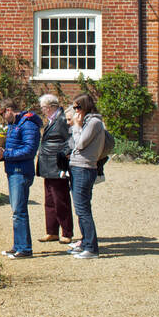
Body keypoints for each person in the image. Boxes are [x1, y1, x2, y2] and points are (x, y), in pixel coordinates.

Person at [0, 98, 41, 258]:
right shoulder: (15, 125)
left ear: (9, 110)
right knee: (16, 210)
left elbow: (29, 150)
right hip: (13, 170)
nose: (2, 118)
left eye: (2, 114)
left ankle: (25, 248)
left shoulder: (28, 124)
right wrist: (2, 153)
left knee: (19, 211)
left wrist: (6, 154)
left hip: (21, 171)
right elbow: (16, 147)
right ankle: (18, 245)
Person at [67, 93, 105, 259]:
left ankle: (91, 247)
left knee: (83, 209)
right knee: (79, 208)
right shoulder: (86, 122)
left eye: (77, 107)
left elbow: (80, 143)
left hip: (85, 168)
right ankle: (84, 241)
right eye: (74, 108)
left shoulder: (94, 122)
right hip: (76, 167)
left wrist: (76, 125)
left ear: (85, 106)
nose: (76, 111)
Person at [35, 93, 74, 244]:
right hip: (47, 165)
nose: (42, 110)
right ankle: (51, 231)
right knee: (49, 200)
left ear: (51, 107)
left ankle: (66, 232)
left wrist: (63, 155)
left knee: (61, 199)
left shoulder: (63, 119)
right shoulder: (51, 120)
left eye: (43, 108)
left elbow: (70, 140)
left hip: (57, 165)